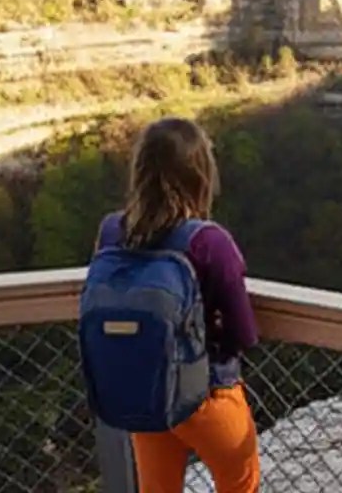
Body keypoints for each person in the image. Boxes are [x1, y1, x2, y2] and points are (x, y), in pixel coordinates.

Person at [93, 117, 261, 493]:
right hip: (206, 394)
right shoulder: (209, 242)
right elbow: (243, 333)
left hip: (144, 393)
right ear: (200, 174)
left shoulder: (111, 231)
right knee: (241, 484)